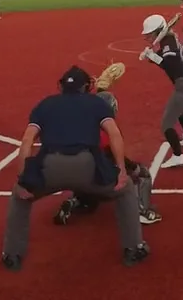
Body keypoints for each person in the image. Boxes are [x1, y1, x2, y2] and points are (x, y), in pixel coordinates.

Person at [1, 66, 149, 271]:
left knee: (19, 197)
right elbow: (114, 135)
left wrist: (23, 179)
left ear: (61, 86)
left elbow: (27, 141)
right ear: (87, 86)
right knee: (125, 190)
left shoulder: (45, 105)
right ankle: (134, 249)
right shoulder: (97, 103)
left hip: (49, 167)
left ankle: (12, 255)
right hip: (87, 166)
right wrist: (121, 172)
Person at [54, 90, 161, 226]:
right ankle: (142, 211)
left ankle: (74, 201)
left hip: (71, 176)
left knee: (89, 197)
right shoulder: (108, 132)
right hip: (97, 180)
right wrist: (133, 168)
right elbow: (112, 156)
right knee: (142, 175)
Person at [139, 14, 183, 170]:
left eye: (149, 35)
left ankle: (178, 156)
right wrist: (151, 57)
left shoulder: (168, 43)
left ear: (157, 32)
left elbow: (170, 64)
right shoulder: (169, 41)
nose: (147, 38)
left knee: (166, 124)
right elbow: (165, 57)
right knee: (181, 110)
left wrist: (151, 56)